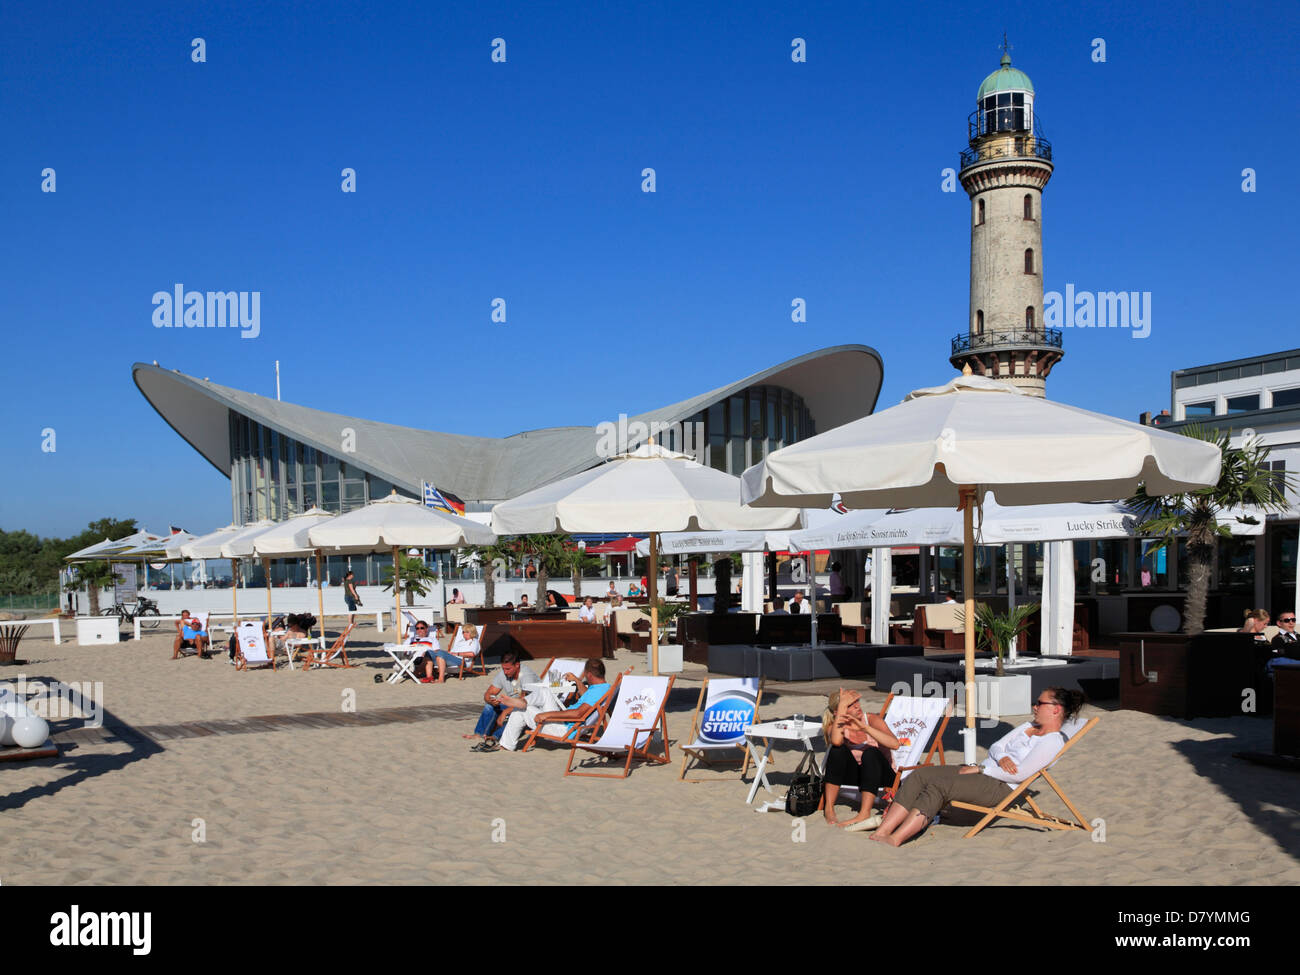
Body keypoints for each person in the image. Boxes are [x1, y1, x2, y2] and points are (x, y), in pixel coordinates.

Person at [871, 686, 1086, 847]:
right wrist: (1001, 757)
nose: (1035, 706)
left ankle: (896, 838)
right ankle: (883, 831)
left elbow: (1020, 774)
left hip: (1000, 786)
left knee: (938, 785)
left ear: (1056, 710)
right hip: (984, 773)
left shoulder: (1052, 741)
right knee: (922, 774)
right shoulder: (1028, 726)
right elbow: (996, 746)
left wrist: (983, 769)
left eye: (1040, 703)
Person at [494, 658, 611, 752]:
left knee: (521, 710)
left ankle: (506, 745)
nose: (585, 677)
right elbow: (586, 696)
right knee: (546, 692)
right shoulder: (604, 688)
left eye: (585, 675)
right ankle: (523, 701)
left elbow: (578, 713)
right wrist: (577, 680)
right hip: (565, 722)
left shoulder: (597, 692)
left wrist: (546, 715)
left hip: (564, 730)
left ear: (589, 675)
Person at [822, 688, 900, 829]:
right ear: (838, 711)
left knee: (870, 752)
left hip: (883, 776)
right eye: (850, 705)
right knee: (837, 750)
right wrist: (841, 711)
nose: (857, 706)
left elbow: (895, 744)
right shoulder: (835, 727)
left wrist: (865, 729)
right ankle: (829, 808)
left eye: (857, 701)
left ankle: (864, 813)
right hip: (857, 778)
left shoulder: (871, 720)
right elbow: (836, 741)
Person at [465, 652, 539, 744]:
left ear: (517, 665)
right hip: (513, 704)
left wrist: (505, 712)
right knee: (489, 706)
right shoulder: (503, 674)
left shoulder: (527, 676)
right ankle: (480, 734)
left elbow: (523, 703)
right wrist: (491, 700)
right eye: (504, 669)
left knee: (516, 713)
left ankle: (495, 736)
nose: (505, 672)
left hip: (530, 707)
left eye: (508, 669)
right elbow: (488, 693)